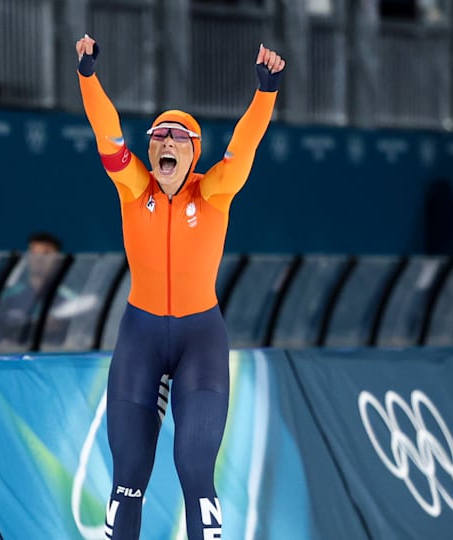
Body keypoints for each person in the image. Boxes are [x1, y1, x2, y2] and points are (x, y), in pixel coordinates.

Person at [76, 34, 284, 539]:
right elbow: (107, 132)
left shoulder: (213, 192)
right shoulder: (134, 187)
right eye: (158, 136)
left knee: (195, 469)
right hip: (141, 337)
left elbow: (244, 144)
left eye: (178, 138)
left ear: (193, 153)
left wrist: (266, 93)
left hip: (200, 342)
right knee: (127, 477)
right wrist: (88, 77)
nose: (165, 143)